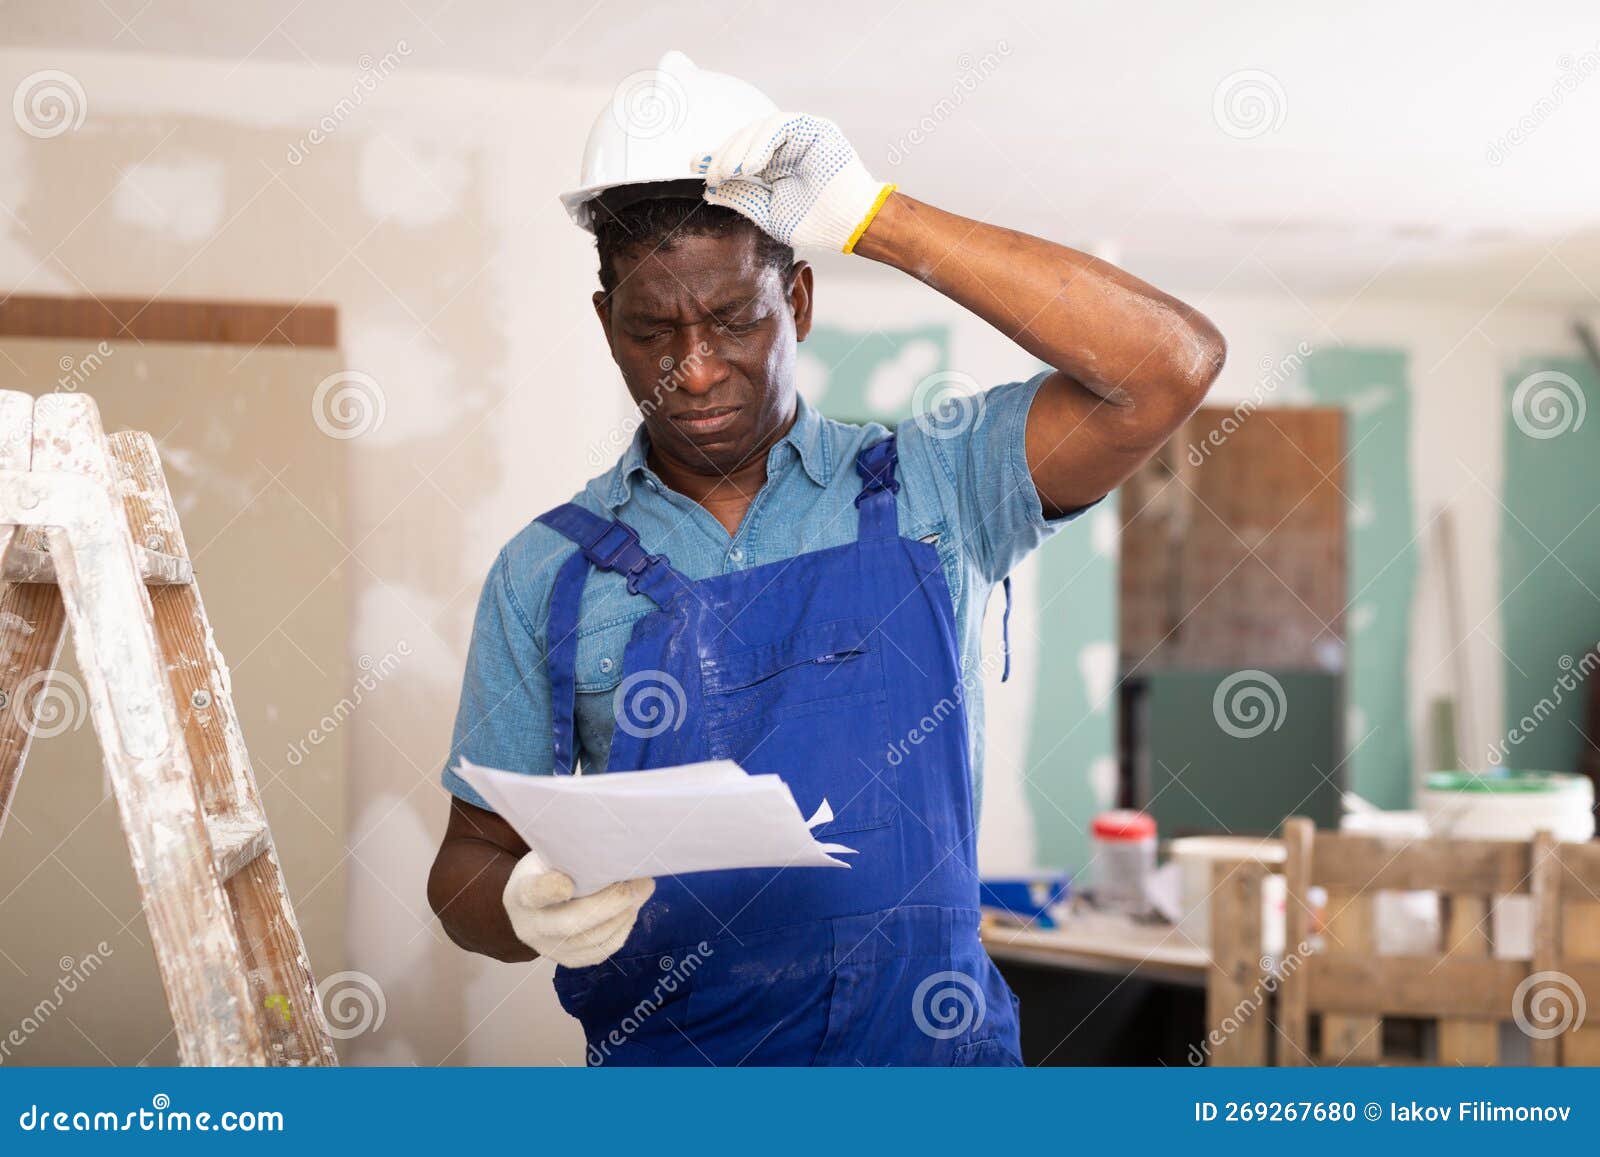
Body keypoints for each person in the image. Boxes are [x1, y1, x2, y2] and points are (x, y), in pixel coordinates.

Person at [428, 53, 1224, 1066]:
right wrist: (515, 901)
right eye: (652, 331)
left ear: (799, 300)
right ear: (605, 325)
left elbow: (1169, 367)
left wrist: (873, 216)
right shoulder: (547, 572)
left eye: (735, 319)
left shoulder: (937, 485)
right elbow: (467, 860)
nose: (694, 368)